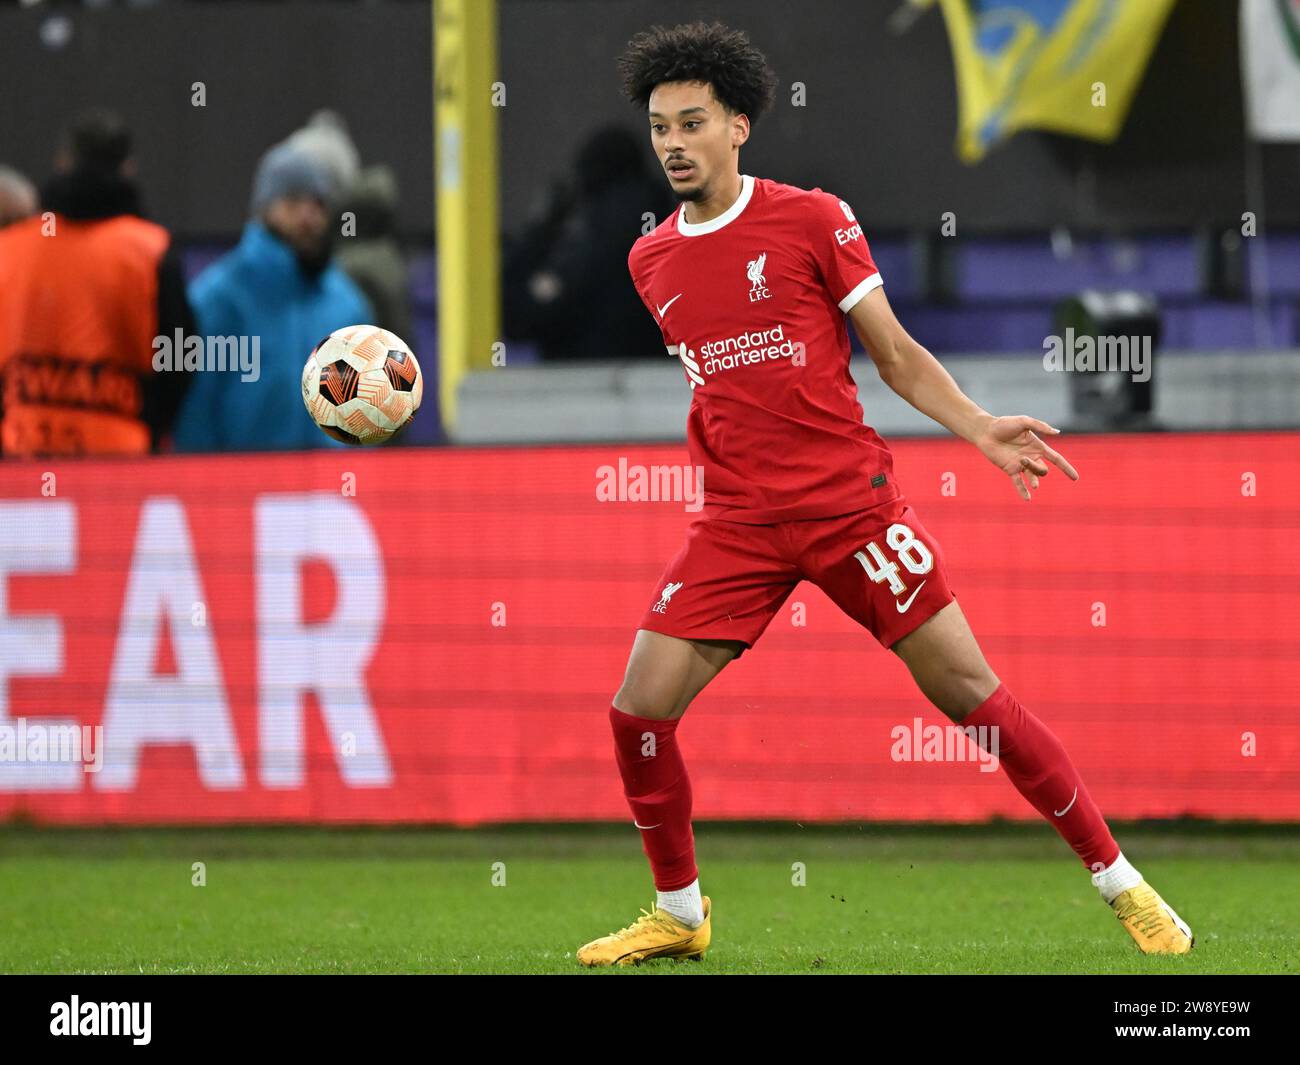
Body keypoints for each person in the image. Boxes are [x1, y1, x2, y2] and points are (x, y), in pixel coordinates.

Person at [576, 21, 1193, 966]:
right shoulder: (649, 261)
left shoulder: (815, 217)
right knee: (637, 711)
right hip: (739, 523)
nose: (671, 143)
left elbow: (894, 356)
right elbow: (724, 385)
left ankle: (1126, 885)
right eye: (659, 126)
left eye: (691, 122)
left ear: (738, 125)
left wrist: (980, 426)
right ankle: (680, 912)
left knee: (971, 696)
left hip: (849, 511)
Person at [0, 110, 194, 456]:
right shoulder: (152, 251)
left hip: (20, 454)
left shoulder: (10, 248)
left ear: (63, 162)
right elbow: (181, 360)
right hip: (119, 462)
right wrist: (152, 428)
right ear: (128, 168)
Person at [173, 140, 372, 451]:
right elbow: (196, 408)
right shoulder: (219, 299)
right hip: (242, 488)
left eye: (318, 204)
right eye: (293, 202)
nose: (308, 217)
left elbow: (368, 408)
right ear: (264, 209)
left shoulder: (346, 304)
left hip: (329, 492)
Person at [503, 125, 673, 360]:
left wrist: (542, 229)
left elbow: (519, 318)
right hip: (662, 387)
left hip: (584, 386)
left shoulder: (595, 249)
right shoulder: (670, 233)